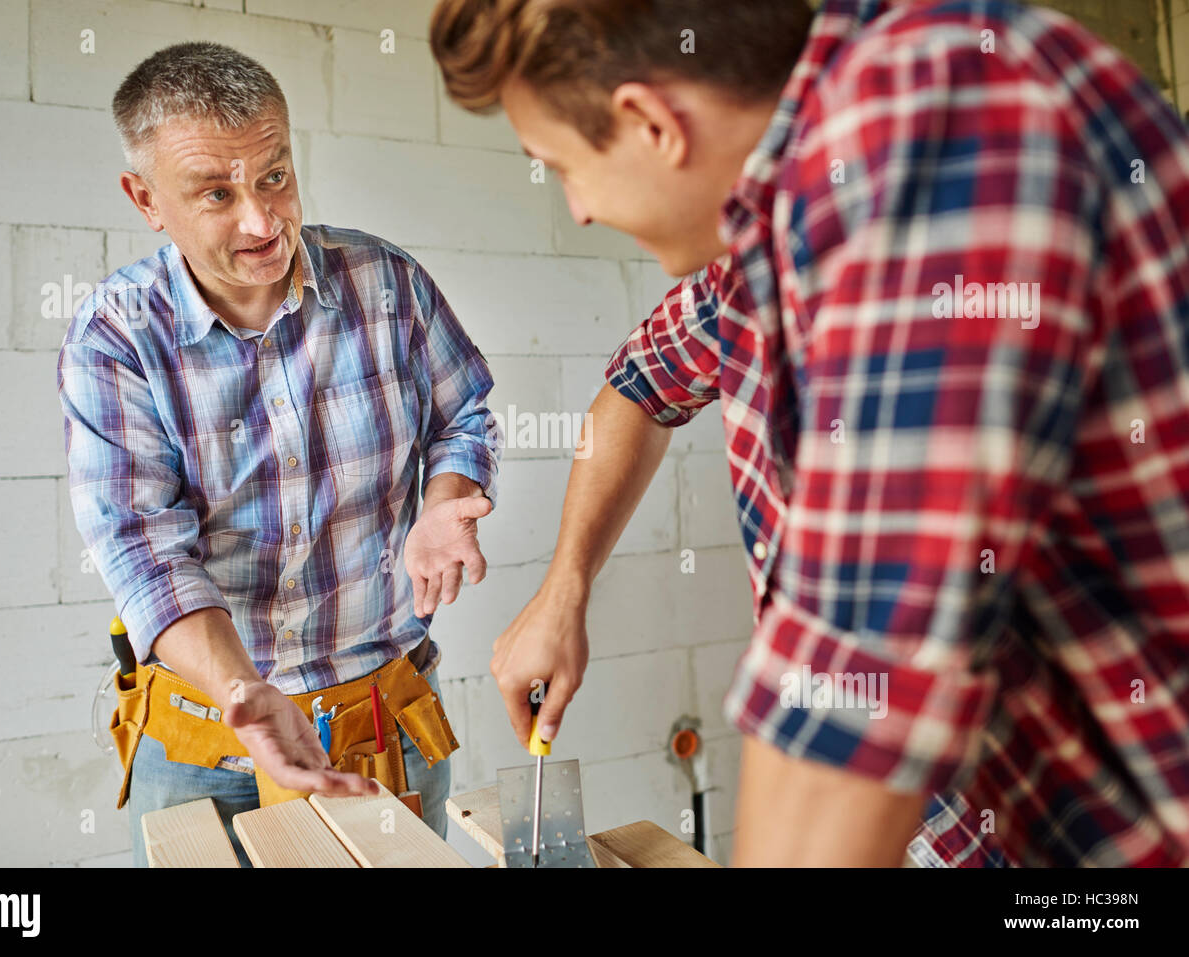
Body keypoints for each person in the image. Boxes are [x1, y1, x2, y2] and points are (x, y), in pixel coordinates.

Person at [431, 0, 1189, 866]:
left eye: (563, 168)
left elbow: (855, 696)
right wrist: (563, 589)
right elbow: (635, 389)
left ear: (649, 122)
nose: (580, 210)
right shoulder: (762, 233)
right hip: (955, 825)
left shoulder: (938, 114)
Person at [57, 42, 499, 866]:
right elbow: (143, 548)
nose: (262, 221)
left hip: (384, 724)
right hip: (209, 743)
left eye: (274, 177)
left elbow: (463, 412)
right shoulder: (115, 335)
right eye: (217, 194)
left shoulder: (386, 282)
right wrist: (244, 692)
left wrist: (445, 499)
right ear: (145, 198)